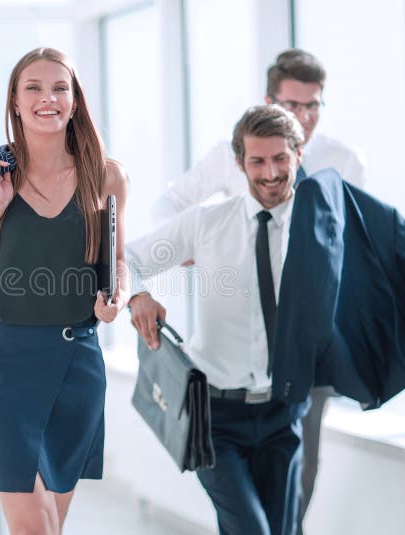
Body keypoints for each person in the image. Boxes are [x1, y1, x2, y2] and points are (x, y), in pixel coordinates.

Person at [147, 49, 365, 530]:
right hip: (232, 344)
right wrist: (189, 251)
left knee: (299, 473)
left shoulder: (343, 161)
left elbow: (356, 244)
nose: (303, 116)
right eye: (292, 104)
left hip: (305, 347)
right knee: (246, 503)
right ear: (270, 101)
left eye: (312, 106)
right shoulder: (234, 155)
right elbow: (169, 205)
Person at [0, 47, 129, 535]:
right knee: (33, 526)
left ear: (74, 100)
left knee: (50, 525)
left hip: (76, 362)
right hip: (1, 365)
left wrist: (116, 298)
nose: (48, 98)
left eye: (59, 88)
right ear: (15, 101)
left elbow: (117, 261)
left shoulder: (106, 175)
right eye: (34, 88)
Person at [127, 105, 309, 535]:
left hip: (283, 410)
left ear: (298, 156)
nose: (270, 173)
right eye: (257, 161)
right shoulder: (205, 224)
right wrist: (138, 296)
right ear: (239, 164)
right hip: (214, 416)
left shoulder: (319, 226)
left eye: (280, 158)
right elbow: (127, 259)